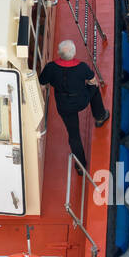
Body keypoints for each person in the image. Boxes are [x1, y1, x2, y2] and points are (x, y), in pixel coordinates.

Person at [39, 39, 110, 173]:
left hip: (64, 106)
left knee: (74, 135)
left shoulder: (51, 68)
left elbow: (42, 85)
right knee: (94, 88)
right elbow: (92, 81)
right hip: (81, 100)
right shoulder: (82, 67)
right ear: (74, 53)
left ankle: (80, 166)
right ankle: (100, 116)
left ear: (59, 53)